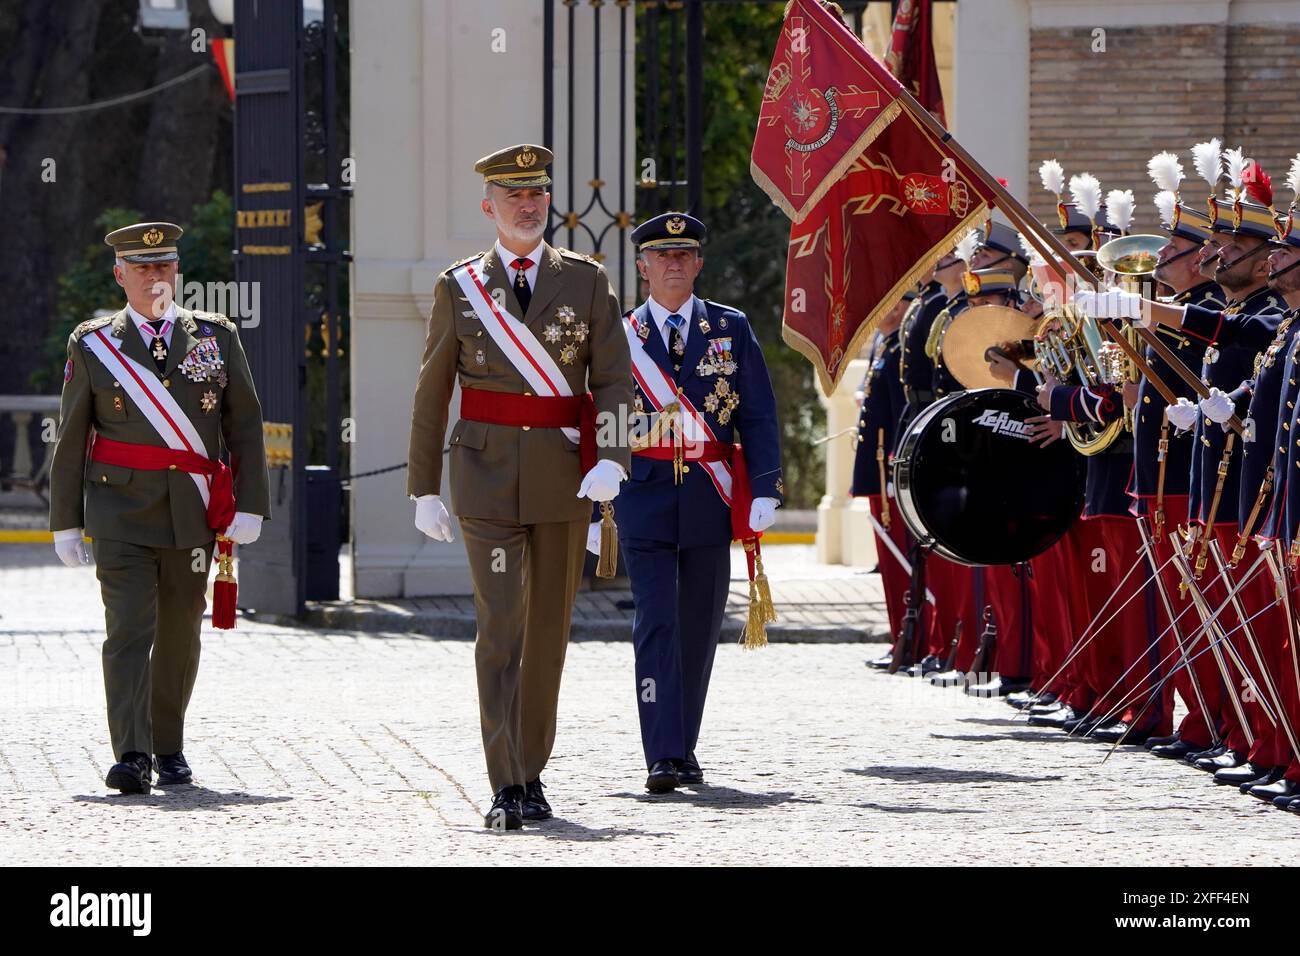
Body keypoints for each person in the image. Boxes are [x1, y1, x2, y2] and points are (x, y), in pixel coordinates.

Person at [406, 144, 633, 829]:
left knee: (548, 636)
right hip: (485, 478)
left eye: (535, 195)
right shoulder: (460, 287)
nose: (527, 207)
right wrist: (423, 488)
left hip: (564, 477)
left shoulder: (587, 281)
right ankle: (504, 782)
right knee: (500, 627)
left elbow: (614, 378)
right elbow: (431, 391)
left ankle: (532, 769)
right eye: (513, 197)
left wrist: (614, 455)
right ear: (490, 207)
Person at [48, 221, 270, 794]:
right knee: (127, 629)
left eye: (164, 265)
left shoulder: (215, 338)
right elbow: (73, 435)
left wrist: (250, 504)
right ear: (119, 274)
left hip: (192, 511)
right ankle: (132, 751)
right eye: (141, 267)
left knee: (179, 633)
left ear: (177, 271)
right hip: (119, 510)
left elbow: (242, 424)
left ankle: (167, 745)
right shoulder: (94, 343)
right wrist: (65, 520)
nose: (154, 275)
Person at [604, 212, 783, 793]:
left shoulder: (730, 328)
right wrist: (593, 507)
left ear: (699, 263)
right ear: (642, 266)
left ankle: (684, 746)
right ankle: (661, 752)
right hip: (644, 497)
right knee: (655, 620)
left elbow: (757, 412)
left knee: (700, 626)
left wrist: (765, 487)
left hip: (709, 496)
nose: (674, 264)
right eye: (661, 255)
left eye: (684, 255)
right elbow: (600, 420)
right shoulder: (620, 335)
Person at [851, 291, 913, 646]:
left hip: (886, 465)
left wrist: (894, 465)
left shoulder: (900, 349)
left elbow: (899, 412)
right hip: (873, 464)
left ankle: (907, 637)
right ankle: (900, 637)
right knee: (889, 562)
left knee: (899, 559)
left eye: (891, 302)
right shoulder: (884, 345)